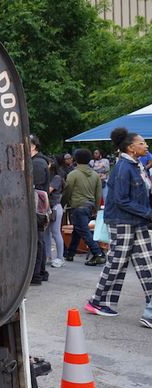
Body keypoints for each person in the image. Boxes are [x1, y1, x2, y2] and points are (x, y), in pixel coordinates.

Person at [85, 128, 152, 320]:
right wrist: (148, 213)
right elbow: (122, 200)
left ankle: (149, 308)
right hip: (123, 221)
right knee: (117, 262)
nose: (146, 145)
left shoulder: (136, 165)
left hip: (136, 221)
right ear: (131, 148)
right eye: (142, 143)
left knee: (146, 263)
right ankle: (97, 301)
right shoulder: (123, 167)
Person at [62, 148, 105, 266]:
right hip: (89, 206)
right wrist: (95, 209)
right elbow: (98, 194)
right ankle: (70, 253)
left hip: (77, 206)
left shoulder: (73, 174)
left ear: (75, 159)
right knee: (78, 229)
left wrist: (62, 204)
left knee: (83, 231)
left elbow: (67, 191)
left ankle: (98, 254)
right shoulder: (95, 175)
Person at [30, 135, 50, 283]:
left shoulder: (37, 163)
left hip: (37, 207)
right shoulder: (39, 161)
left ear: (33, 146)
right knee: (39, 240)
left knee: (37, 240)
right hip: (39, 207)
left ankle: (37, 274)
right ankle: (40, 272)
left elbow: (34, 187)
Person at [45, 157, 66, 268]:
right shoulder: (49, 177)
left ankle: (60, 257)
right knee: (46, 233)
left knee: (55, 232)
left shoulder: (56, 177)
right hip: (47, 208)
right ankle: (47, 256)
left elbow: (48, 190)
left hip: (55, 208)